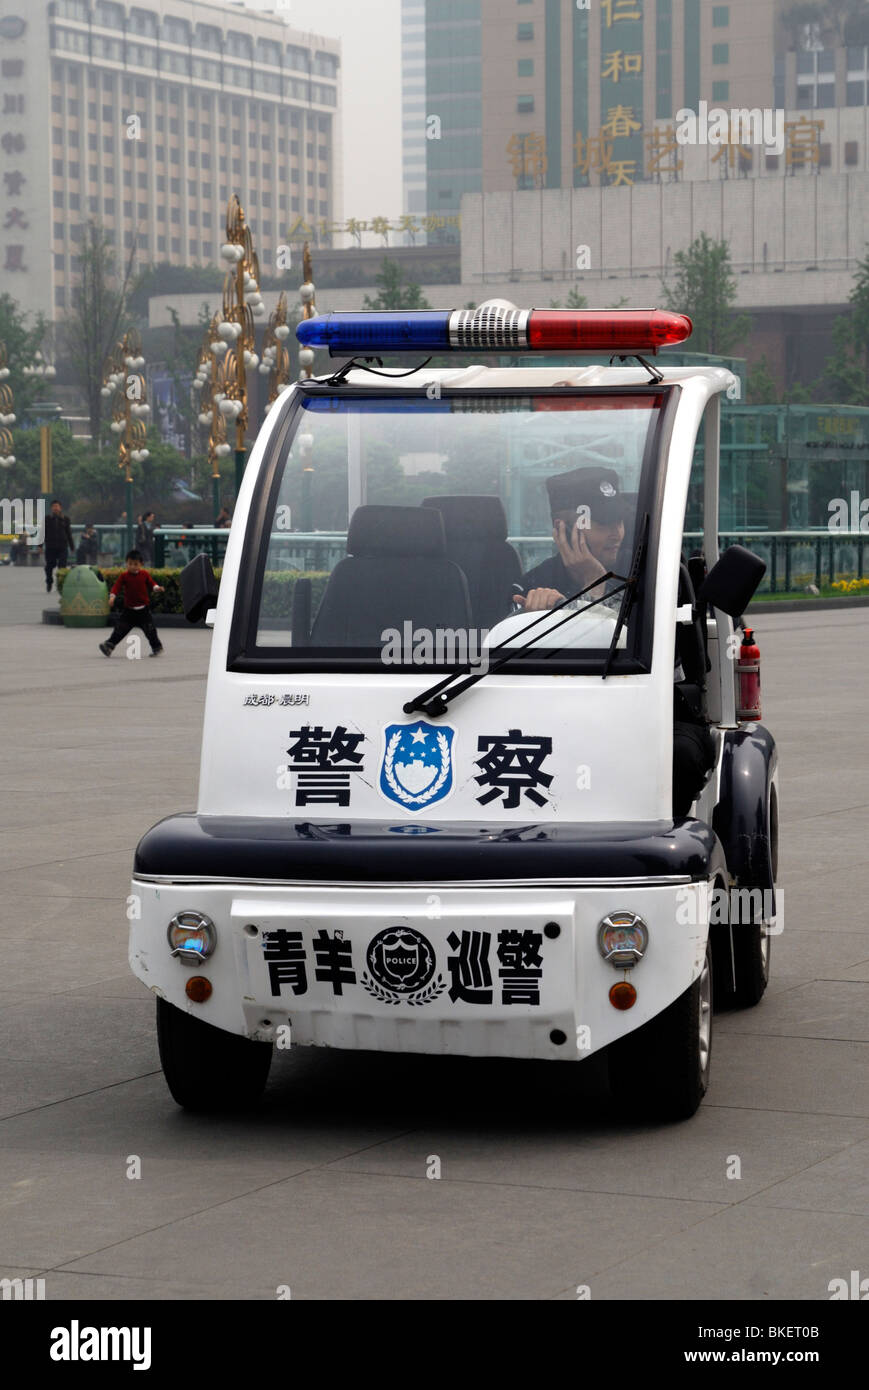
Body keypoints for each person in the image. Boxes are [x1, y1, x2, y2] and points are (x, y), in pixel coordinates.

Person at [519, 467, 626, 612]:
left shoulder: (644, 572)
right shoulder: (534, 589)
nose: (617, 534)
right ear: (563, 529)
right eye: (603, 524)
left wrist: (596, 578)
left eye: (620, 521)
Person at [99, 549, 165, 658]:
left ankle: (157, 647)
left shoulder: (144, 574)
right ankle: (109, 646)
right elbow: (116, 587)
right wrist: (112, 597)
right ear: (126, 563)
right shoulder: (124, 576)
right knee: (120, 629)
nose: (132, 566)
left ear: (141, 564)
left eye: (135, 564)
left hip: (143, 611)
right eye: (130, 564)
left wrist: (157, 588)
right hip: (129, 611)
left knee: (150, 630)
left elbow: (152, 584)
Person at [43, 499, 74, 592]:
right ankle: (49, 581)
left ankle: (61, 585)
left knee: (62, 567)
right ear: (51, 508)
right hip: (50, 547)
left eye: (57, 506)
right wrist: (40, 546)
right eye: (54, 506)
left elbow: (69, 533)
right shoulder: (47, 519)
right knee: (49, 566)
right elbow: (43, 533)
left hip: (62, 547)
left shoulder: (65, 519)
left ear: (60, 508)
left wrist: (72, 546)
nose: (55, 508)